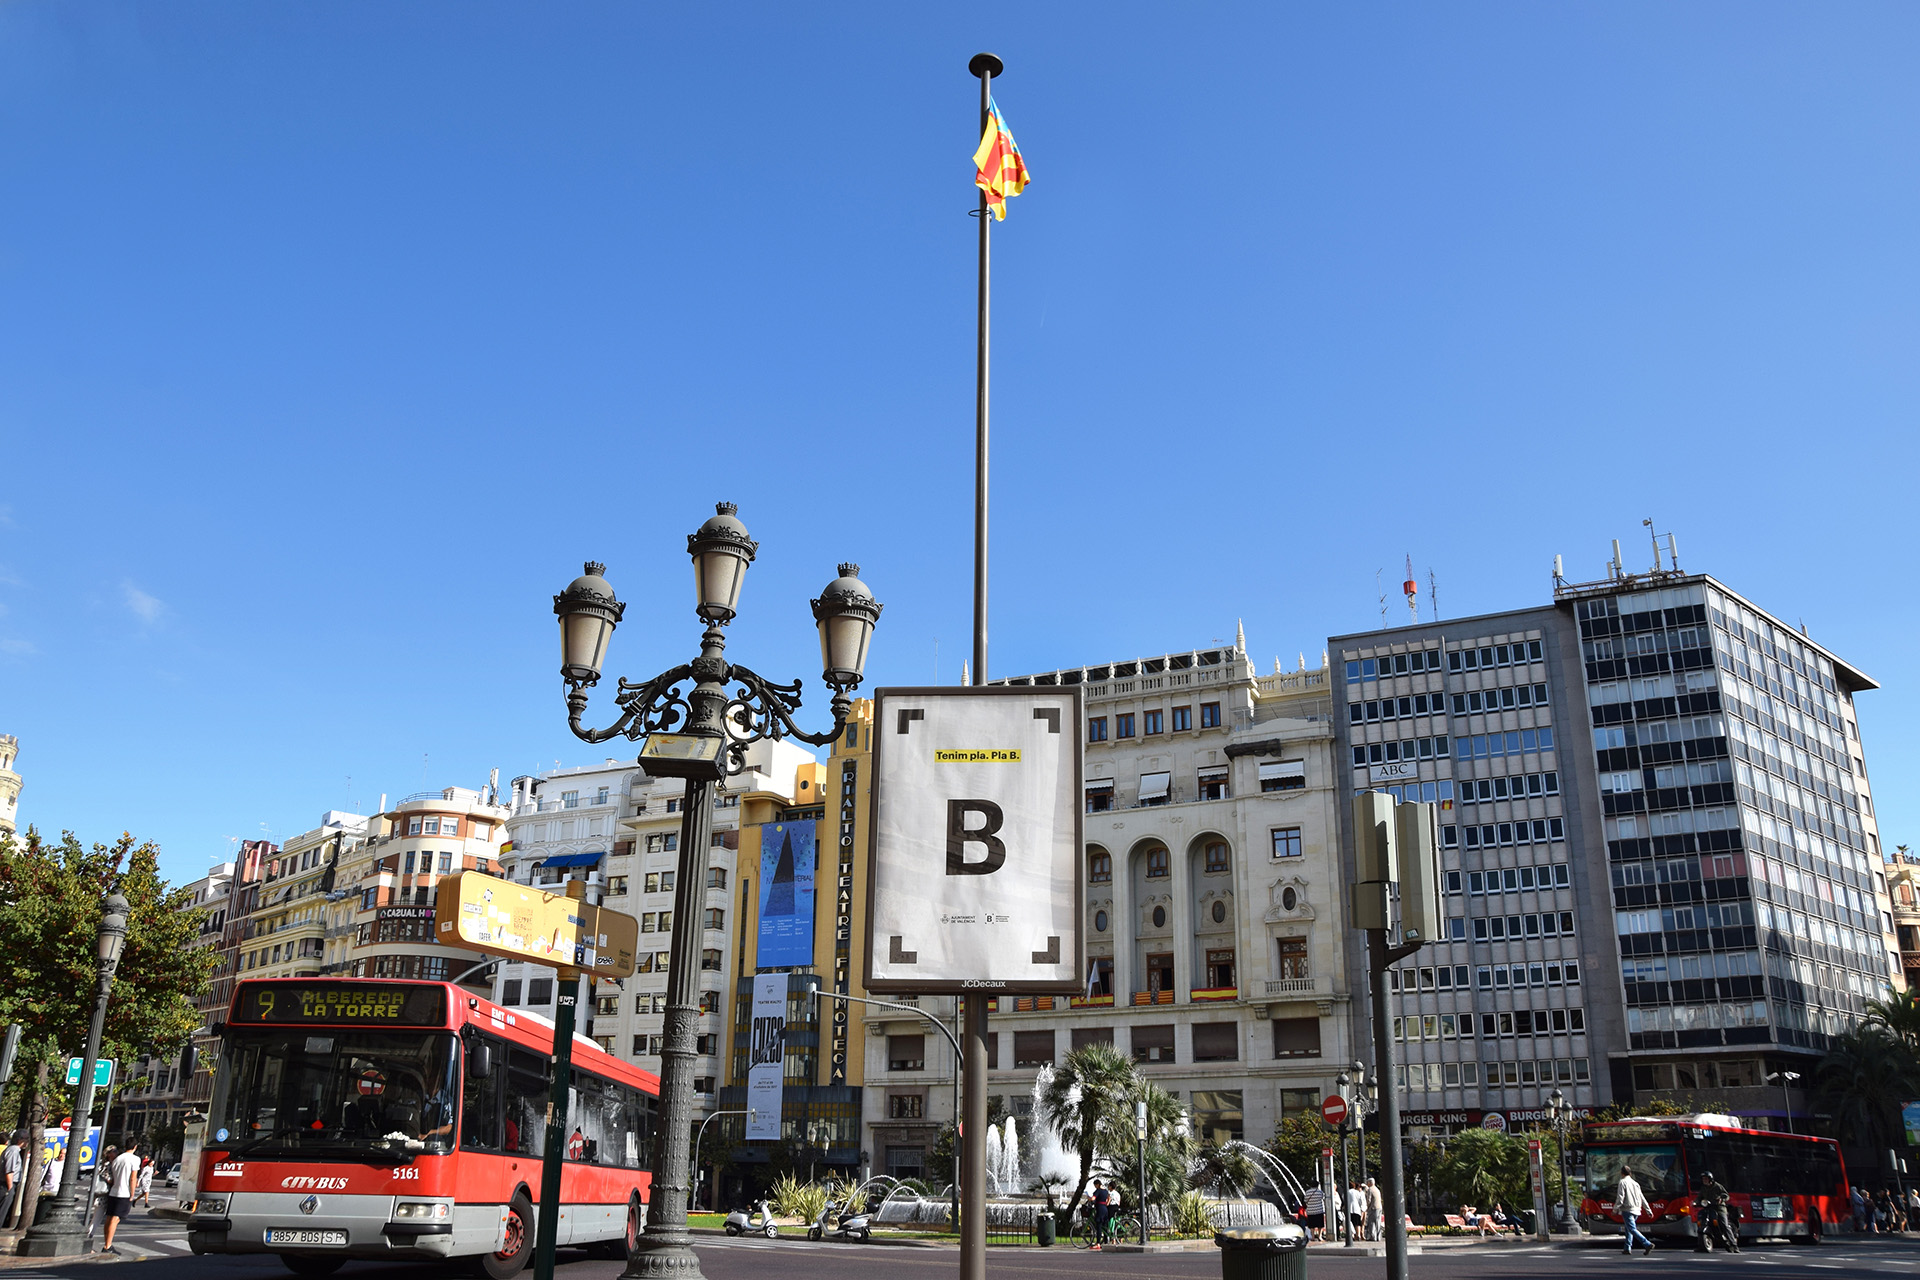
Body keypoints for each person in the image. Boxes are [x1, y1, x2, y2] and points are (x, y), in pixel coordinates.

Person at [100, 1144, 142, 1255]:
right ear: (135, 1147)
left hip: (114, 1191)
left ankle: (107, 1243)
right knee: (115, 1219)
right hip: (124, 1193)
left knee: (109, 1218)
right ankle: (107, 1246)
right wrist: (132, 1194)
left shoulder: (117, 1159)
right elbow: (133, 1178)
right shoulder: (135, 1159)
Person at [1617, 1167, 1654, 1256]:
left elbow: (1620, 1197)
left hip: (1627, 1209)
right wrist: (1648, 1210)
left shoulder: (1622, 1182)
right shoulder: (1635, 1183)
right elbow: (1642, 1197)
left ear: (1622, 1173)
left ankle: (1647, 1244)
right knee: (1628, 1228)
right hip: (1637, 1209)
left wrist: (1615, 1209)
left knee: (1632, 1229)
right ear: (1630, 1173)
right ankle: (1627, 1248)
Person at [1696, 1172, 1737, 1252]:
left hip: (1719, 1209)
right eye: (1703, 1179)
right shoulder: (1703, 1188)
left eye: (1706, 1179)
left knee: (1724, 1225)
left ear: (1710, 1179)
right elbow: (1699, 1197)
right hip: (1708, 1208)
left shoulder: (1717, 1186)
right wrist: (1696, 1202)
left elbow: (1726, 1195)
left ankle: (1734, 1244)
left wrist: (1721, 1199)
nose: (1704, 1180)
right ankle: (1700, 1245)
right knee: (1700, 1222)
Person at [0, 1133, 23, 1232]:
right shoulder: (13, 1150)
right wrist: (10, 1188)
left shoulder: (13, 1150)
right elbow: (9, 1170)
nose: (27, 1142)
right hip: (6, 1184)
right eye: (26, 1139)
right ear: (19, 1140)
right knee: (2, 1210)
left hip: (7, 1184)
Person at [1089, 1179, 1113, 1249]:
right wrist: (1107, 1203)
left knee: (1099, 1226)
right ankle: (1106, 1242)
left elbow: (1093, 1198)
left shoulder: (1098, 1191)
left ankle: (1098, 1243)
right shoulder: (1105, 1191)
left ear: (1097, 1185)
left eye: (1095, 1185)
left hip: (1099, 1208)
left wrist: (1088, 1198)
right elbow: (1109, 1197)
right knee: (1105, 1226)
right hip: (1105, 1208)